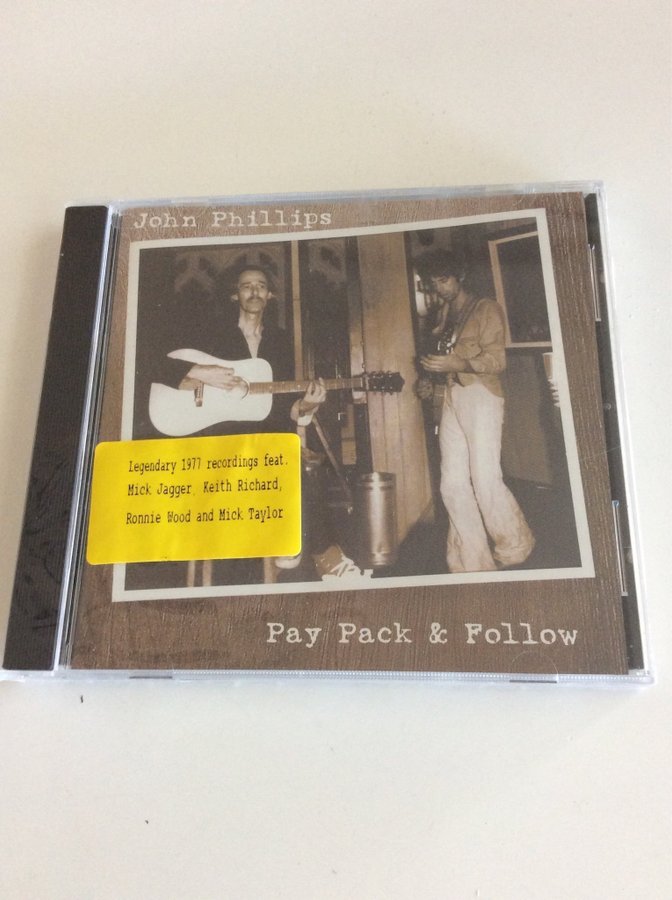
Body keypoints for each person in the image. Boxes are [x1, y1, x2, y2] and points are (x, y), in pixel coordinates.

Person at [157, 264, 365, 581]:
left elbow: (282, 407)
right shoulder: (210, 333)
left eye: (261, 285)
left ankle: (321, 556)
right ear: (235, 295)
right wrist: (201, 373)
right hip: (218, 440)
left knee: (298, 463)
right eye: (246, 285)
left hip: (266, 439)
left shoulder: (280, 342)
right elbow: (156, 364)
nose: (254, 291)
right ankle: (313, 552)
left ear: (270, 295)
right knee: (285, 462)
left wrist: (307, 405)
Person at [415, 249, 535, 573]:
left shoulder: (486, 309)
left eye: (444, 280)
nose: (439, 288)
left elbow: (497, 360)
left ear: (460, 276)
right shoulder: (443, 317)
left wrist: (459, 363)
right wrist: (429, 380)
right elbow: (442, 362)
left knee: (485, 479)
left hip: (481, 395)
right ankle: (471, 561)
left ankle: (516, 545)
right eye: (434, 282)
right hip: (451, 395)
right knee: (451, 484)